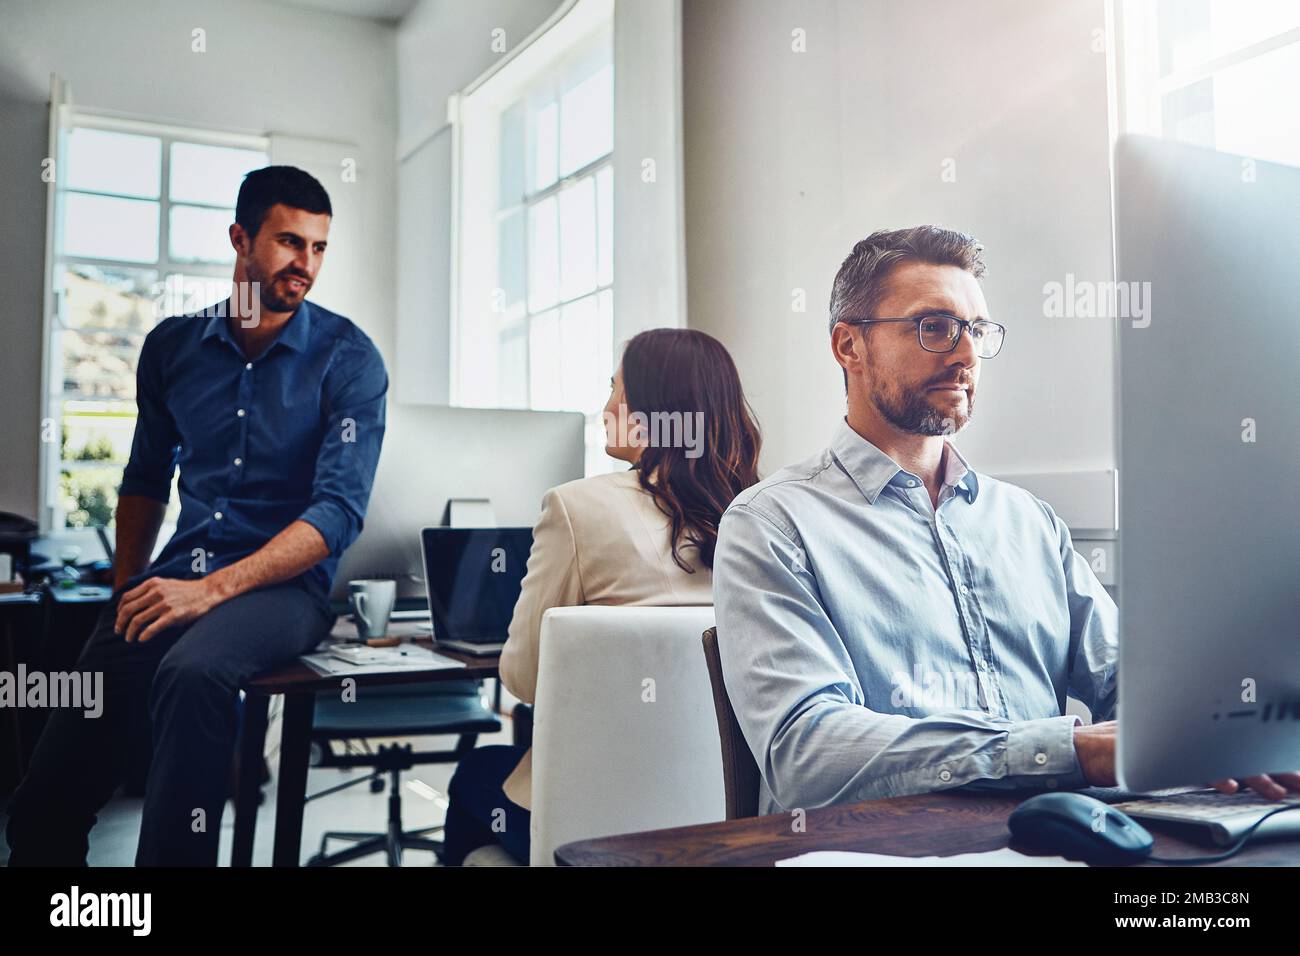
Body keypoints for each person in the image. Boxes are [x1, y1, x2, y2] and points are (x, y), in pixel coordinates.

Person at [712, 225, 1300, 815]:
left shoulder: (1029, 521)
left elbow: (1129, 677)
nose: (966, 355)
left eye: (976, 331)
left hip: (1049, 839)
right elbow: (808, 756)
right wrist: (1072, 749)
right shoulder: (772, 524)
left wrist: (1232, 721)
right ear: (849, 347)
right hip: (880, 851)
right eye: (934, 328)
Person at [5, 166, 388, 866]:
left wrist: (212, 589)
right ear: (240, 237)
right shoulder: (174, 347)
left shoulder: (349, 359)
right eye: (288, 243)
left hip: (284, 591)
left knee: (193, 674)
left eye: (319, 248)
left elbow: (337, 512)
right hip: (179, 577)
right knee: (43, 798)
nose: (305, 265)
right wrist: (127, 588)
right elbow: (145, 478)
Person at [440, 328, 762, 864]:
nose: (604, 406)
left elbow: (524, 680)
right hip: (729, 826)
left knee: (475, 775)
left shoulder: (576, 507)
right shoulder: (765, 514)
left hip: (595, 830)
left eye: (614, 389)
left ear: (650, 410)